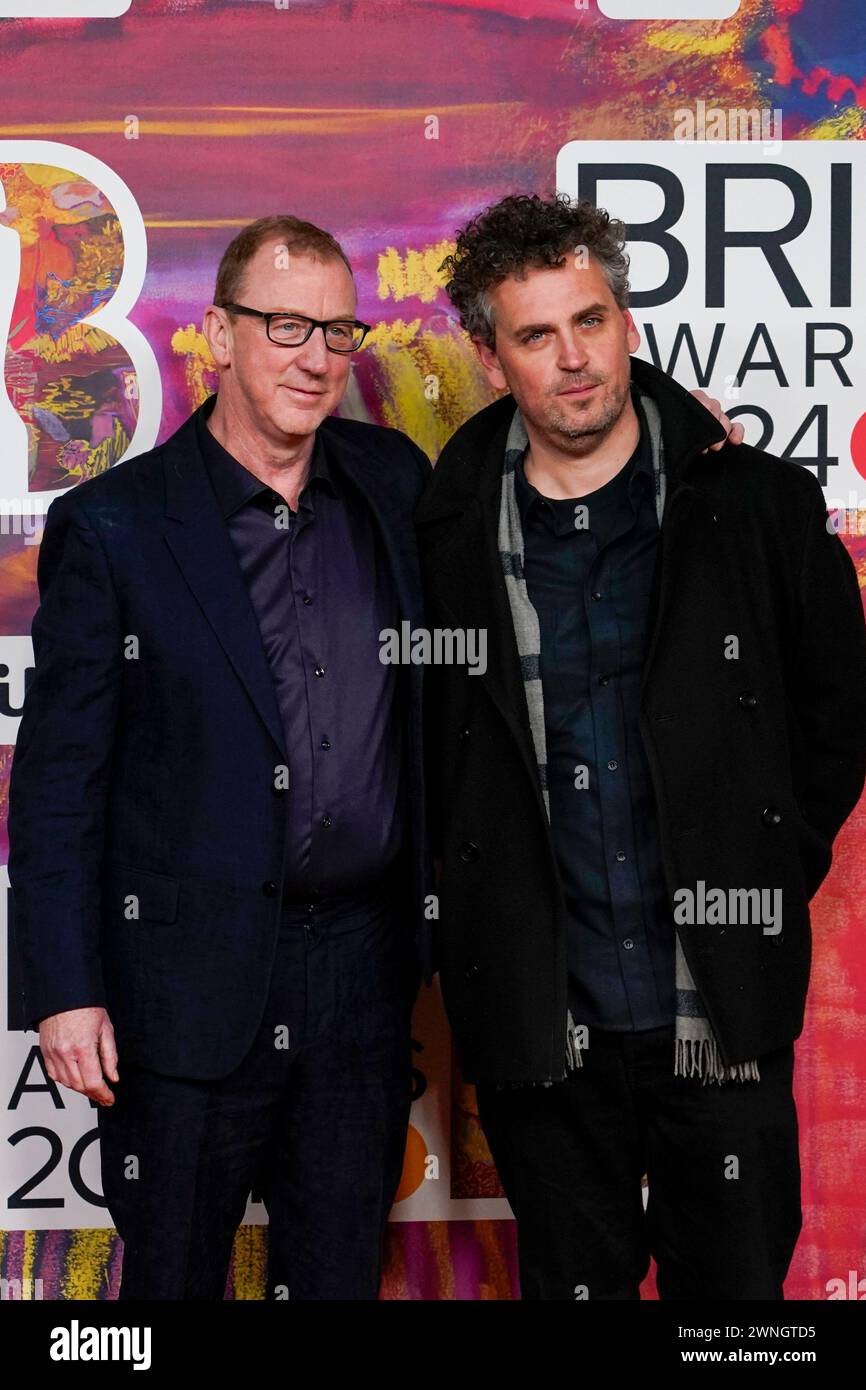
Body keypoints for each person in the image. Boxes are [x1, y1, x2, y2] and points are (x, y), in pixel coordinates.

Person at [415, 192, 866, 1300]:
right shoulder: (444, 527)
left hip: (718, 1013)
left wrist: (757, 870)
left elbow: (833, 716)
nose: (573, 360)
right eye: (534, 334)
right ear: (487, 355)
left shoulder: (753, 501)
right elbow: (427, 757)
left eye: (591, 320)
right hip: (542, 1026)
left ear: (625, 320)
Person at [7, 215, 434, 1300]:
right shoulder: (116, 526)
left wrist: (678, 422)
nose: (313, 357)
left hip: (361, 976)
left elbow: (552, 441)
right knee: (169, 1285)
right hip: (180, 985)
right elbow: (60, 780)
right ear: (217, 335)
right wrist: (63, 988)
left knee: (336, 1276)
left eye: (336, 330)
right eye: (284, 324)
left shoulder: (397, 483)